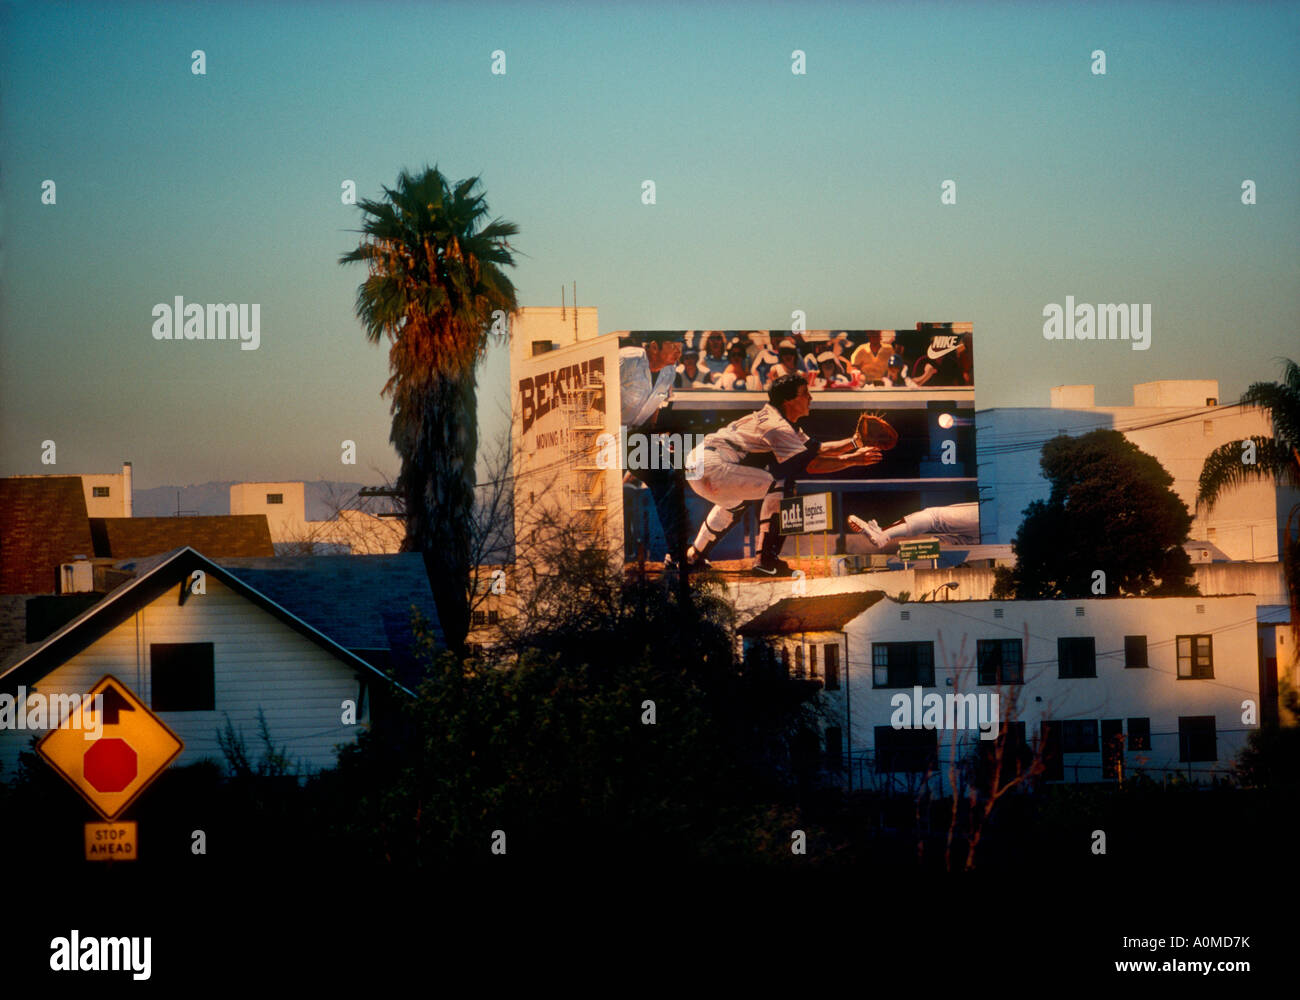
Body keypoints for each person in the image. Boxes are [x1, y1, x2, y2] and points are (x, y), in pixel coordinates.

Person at [684, 374, 884, 576]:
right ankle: (765, 560)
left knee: (735, 504)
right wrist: (853, 460)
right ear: (788, 400)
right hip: (713, 466)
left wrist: (855, 442)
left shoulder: (779, 420)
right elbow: (812, 464)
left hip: (697, 464)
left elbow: (818, 448)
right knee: (783, 484)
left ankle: (693, 556)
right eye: (805, 394)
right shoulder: (778, 426)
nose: (811, 398)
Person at [848, 501, 981, 548]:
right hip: (1000, 540)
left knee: (934, 516)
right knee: (949, 543)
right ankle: (883, 533)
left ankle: (883, 535)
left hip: (997, 513)